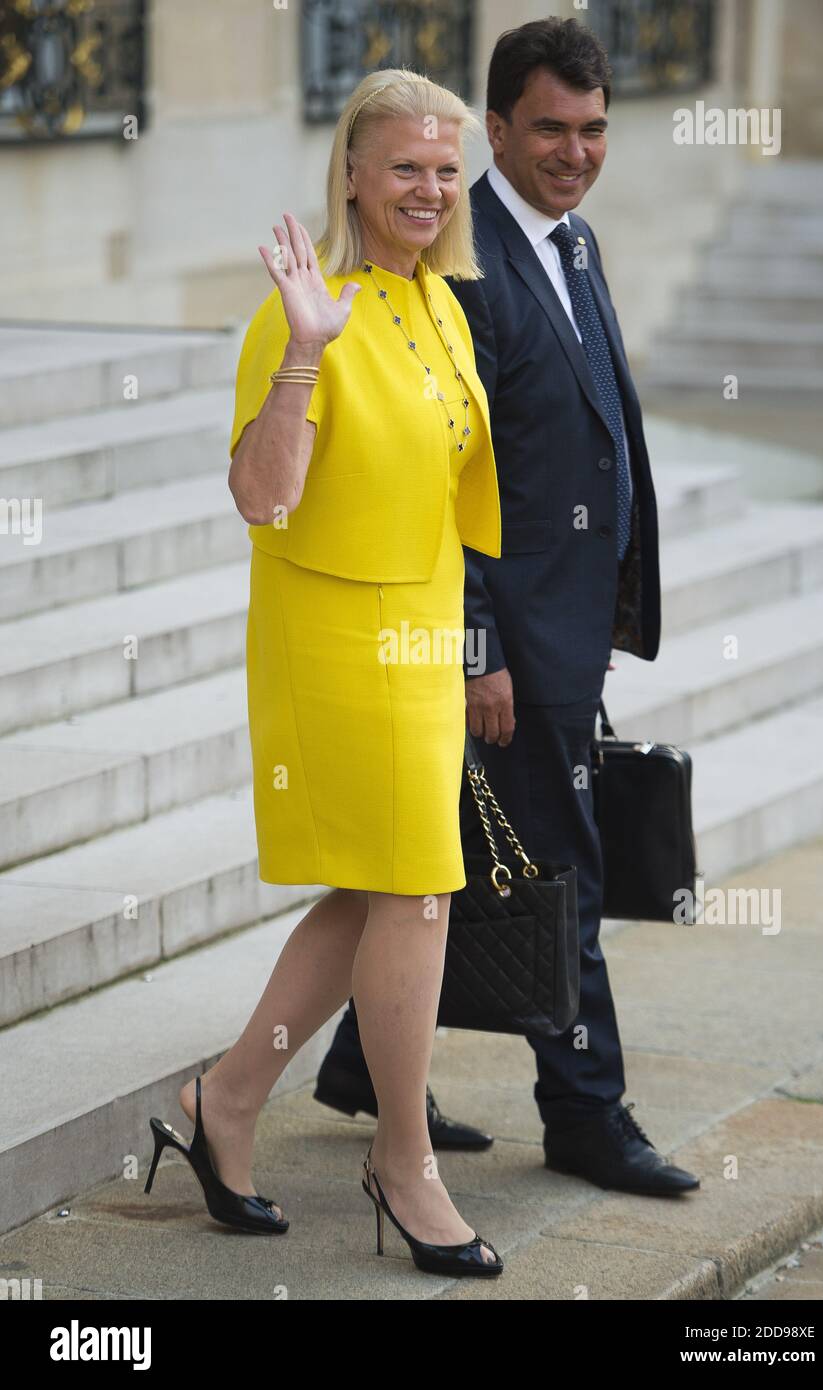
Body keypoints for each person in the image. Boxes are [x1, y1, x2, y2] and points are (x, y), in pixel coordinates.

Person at [316, 19, 700, 1198]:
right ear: (494, 128)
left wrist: (610, 604)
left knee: (453, 863)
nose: (574, 151)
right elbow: (447, 478)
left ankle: (362, 1068)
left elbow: (590, 437)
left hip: (565, 619)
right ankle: (586, 1113)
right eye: (549, 128)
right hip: (503, 640)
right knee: (558, 874)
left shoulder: (570, 242)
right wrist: (479, 649)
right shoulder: (465, 261)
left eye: (592, 131)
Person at [144, 68, 505, 1277]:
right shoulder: (300, 312)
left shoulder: (446, 304)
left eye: (446, 167)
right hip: (332, 642)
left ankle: (226, 1099)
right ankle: (402, 1161)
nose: (429, 186)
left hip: (419, 633)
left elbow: (450, 504)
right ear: (351, 172)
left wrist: (468, 652)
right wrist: (304, 349)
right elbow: (263, 494)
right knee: (414, 893)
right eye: (405, 164)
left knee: (371, 894)